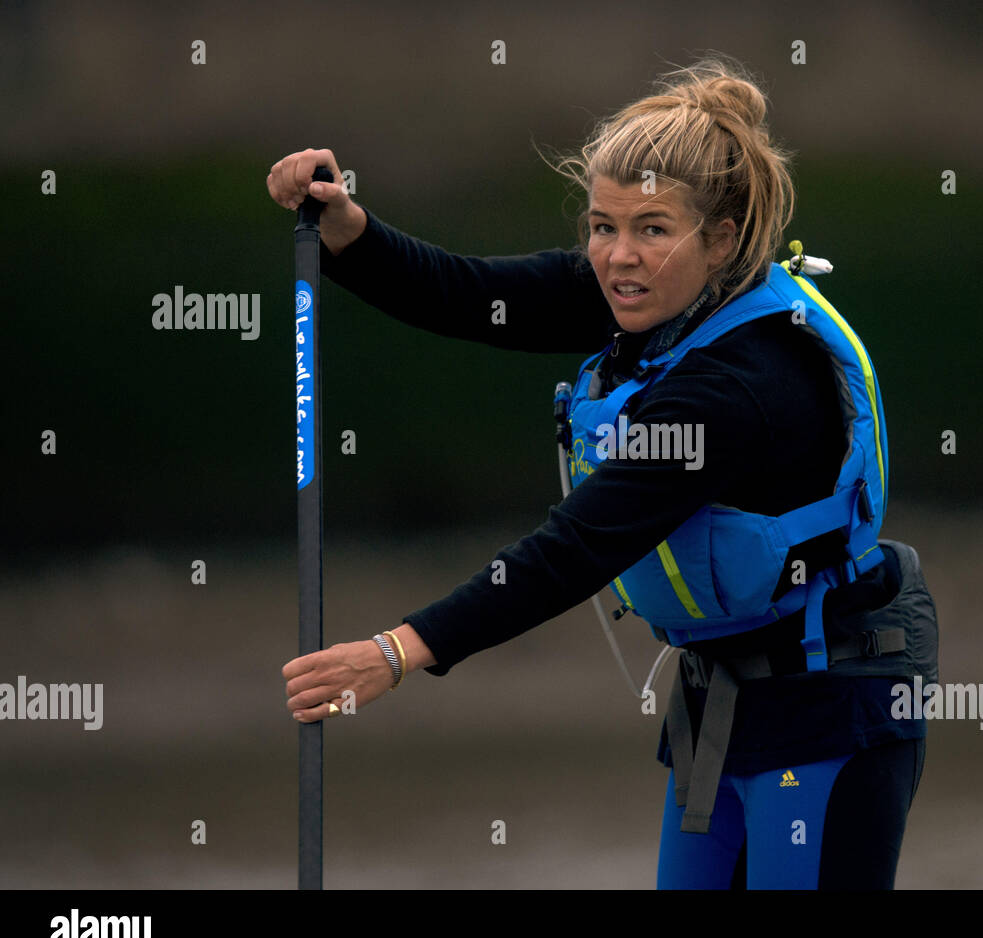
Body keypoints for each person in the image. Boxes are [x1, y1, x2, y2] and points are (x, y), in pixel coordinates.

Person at [271, 55, 936, 889]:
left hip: (832, 699)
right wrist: (343, 228)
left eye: (652, 228)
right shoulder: (646, 294)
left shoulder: (740, 386)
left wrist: (395, 653)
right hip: (718, 702)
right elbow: (469, 295)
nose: (618, 256)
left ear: (721, 238)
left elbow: (576, 546)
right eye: (602, 225)